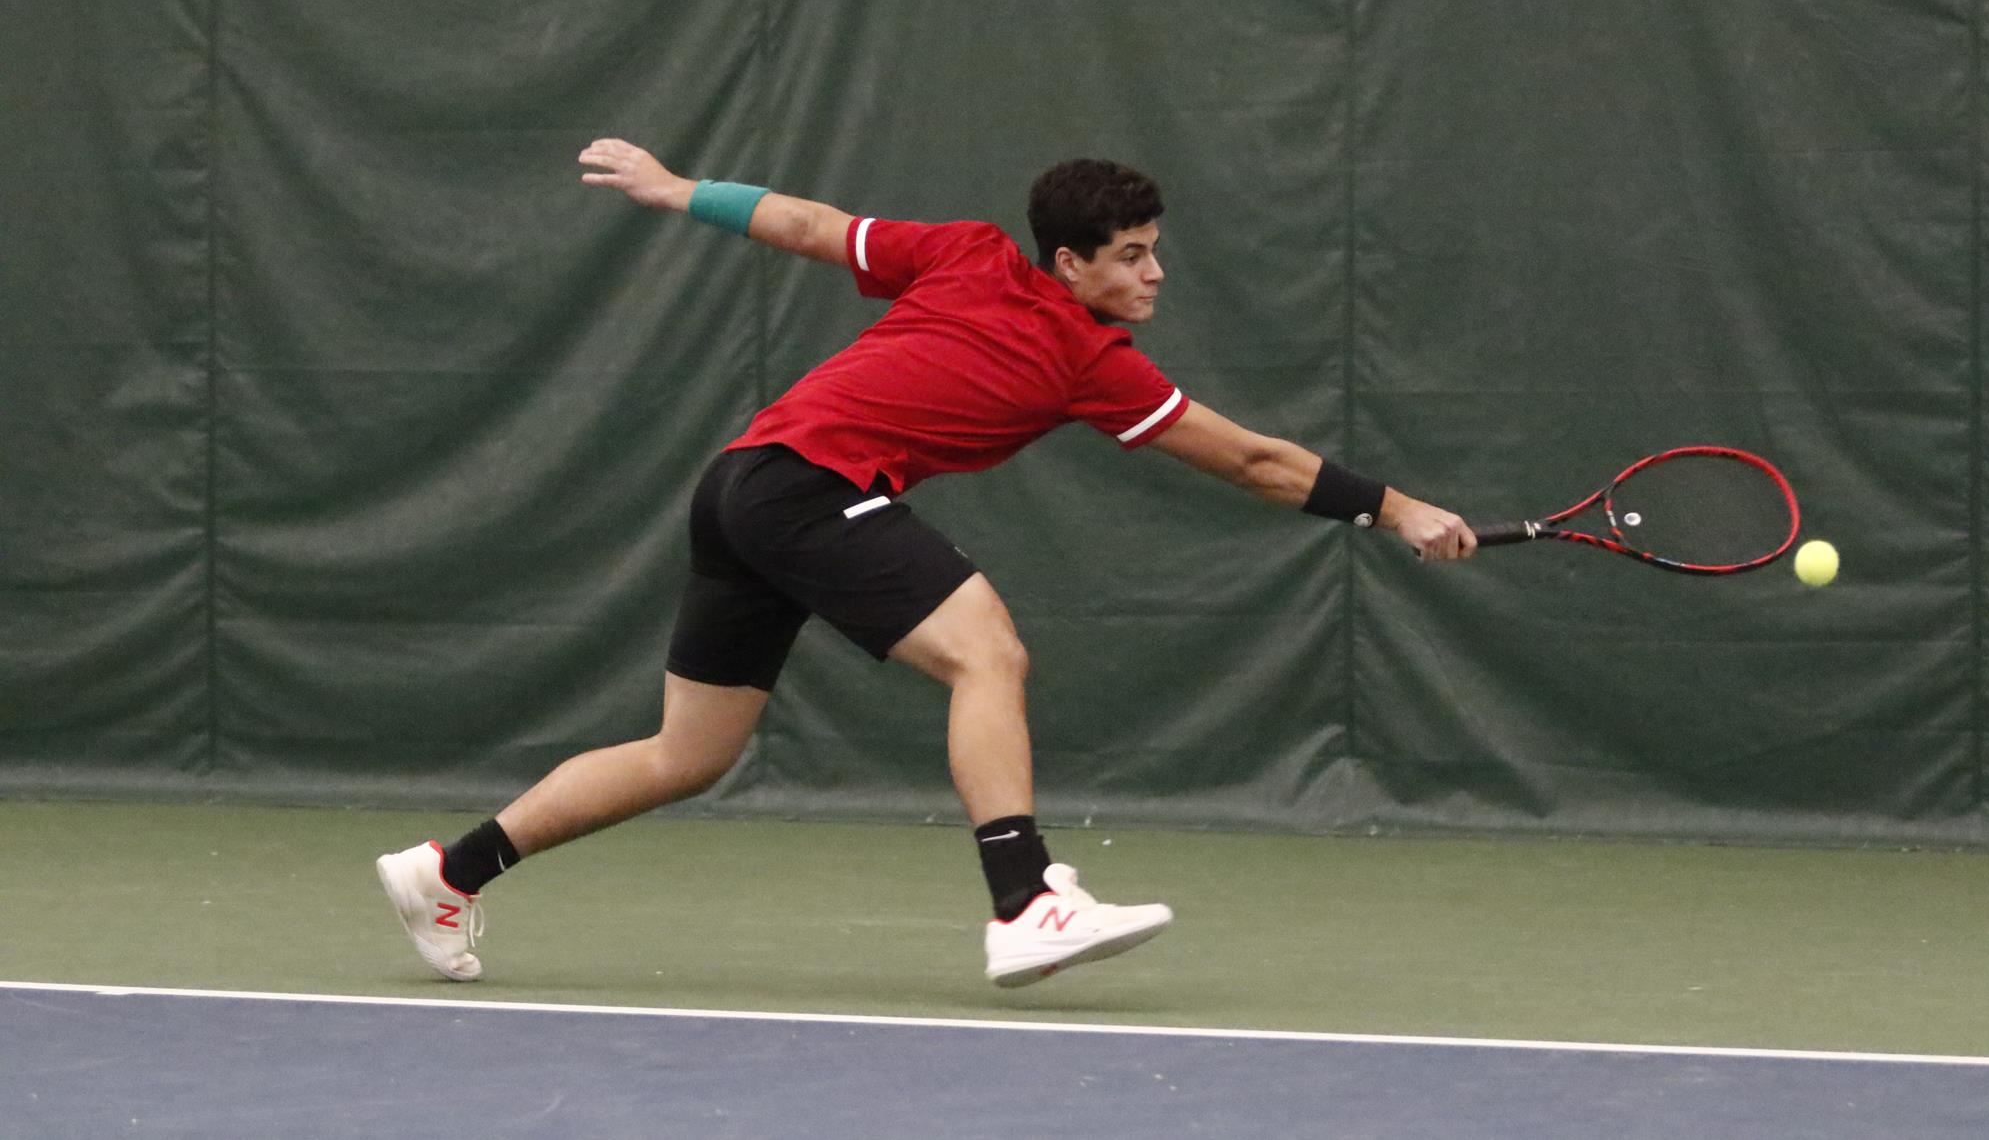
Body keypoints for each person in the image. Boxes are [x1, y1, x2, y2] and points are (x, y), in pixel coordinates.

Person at [377, 139, 1476, 988]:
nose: (1155, 272)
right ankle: (1025, 902)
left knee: (686, 754)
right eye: (1132, 255)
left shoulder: (966, 253)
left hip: (739, 484)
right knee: (986, 654)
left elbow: (811, 224)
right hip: (807, 486)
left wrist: (678, 190)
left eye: (1153, 249)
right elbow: (1251, 460)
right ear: (1069, 261)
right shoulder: (1082, 353)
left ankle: (448, 871)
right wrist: (1398, 509)